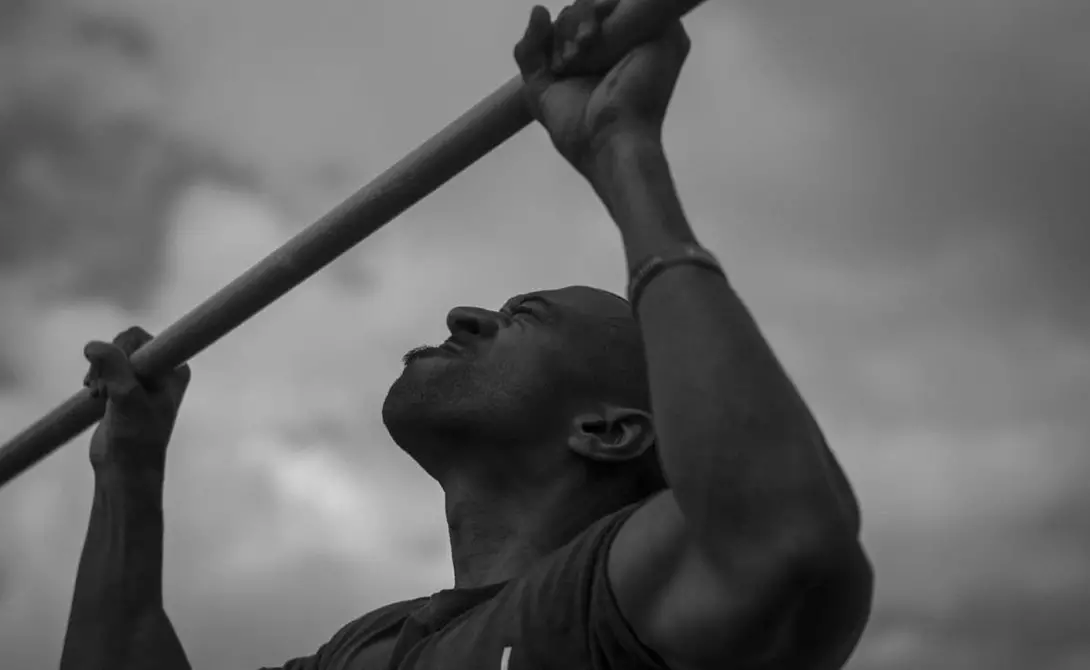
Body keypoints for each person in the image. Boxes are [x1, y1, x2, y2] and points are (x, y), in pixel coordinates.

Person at [59, 1, 874, 669]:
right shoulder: (367, 648)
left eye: (525, 316)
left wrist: (621, 153)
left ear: (609, 430)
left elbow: (783, 539)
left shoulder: (600, 607)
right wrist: (129, 462)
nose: (463, 316)